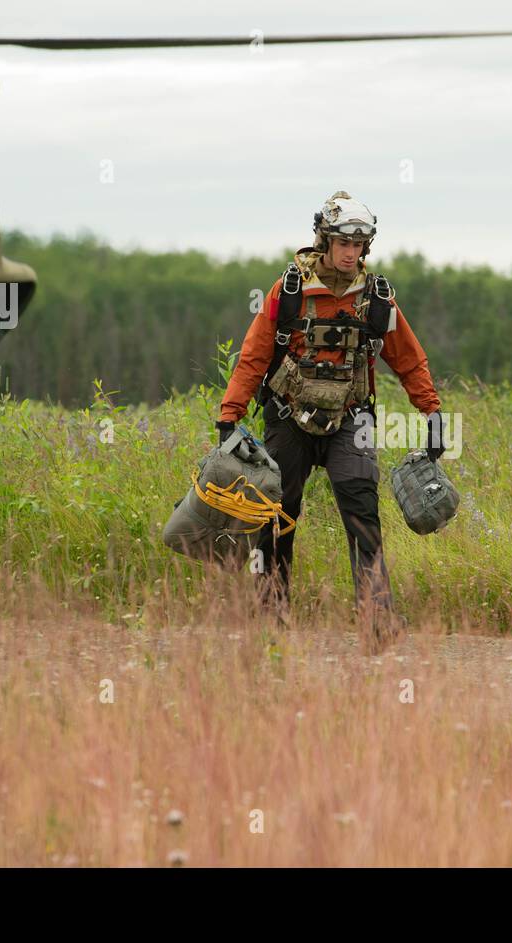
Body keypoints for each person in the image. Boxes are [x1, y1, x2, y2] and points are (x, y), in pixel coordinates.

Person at [216, 191, 445, 648]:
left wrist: (433, 413)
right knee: (278, 513)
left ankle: (377, 620)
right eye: (343, 242)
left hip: (351, 418)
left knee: (362, 511)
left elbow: (409, 360)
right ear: (324, 240)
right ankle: (271, 615)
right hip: (287, 416)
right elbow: (255, 356)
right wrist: (230, 415)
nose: (350, 252)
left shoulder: (377, 299)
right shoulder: (291, 291)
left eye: (359, 244)